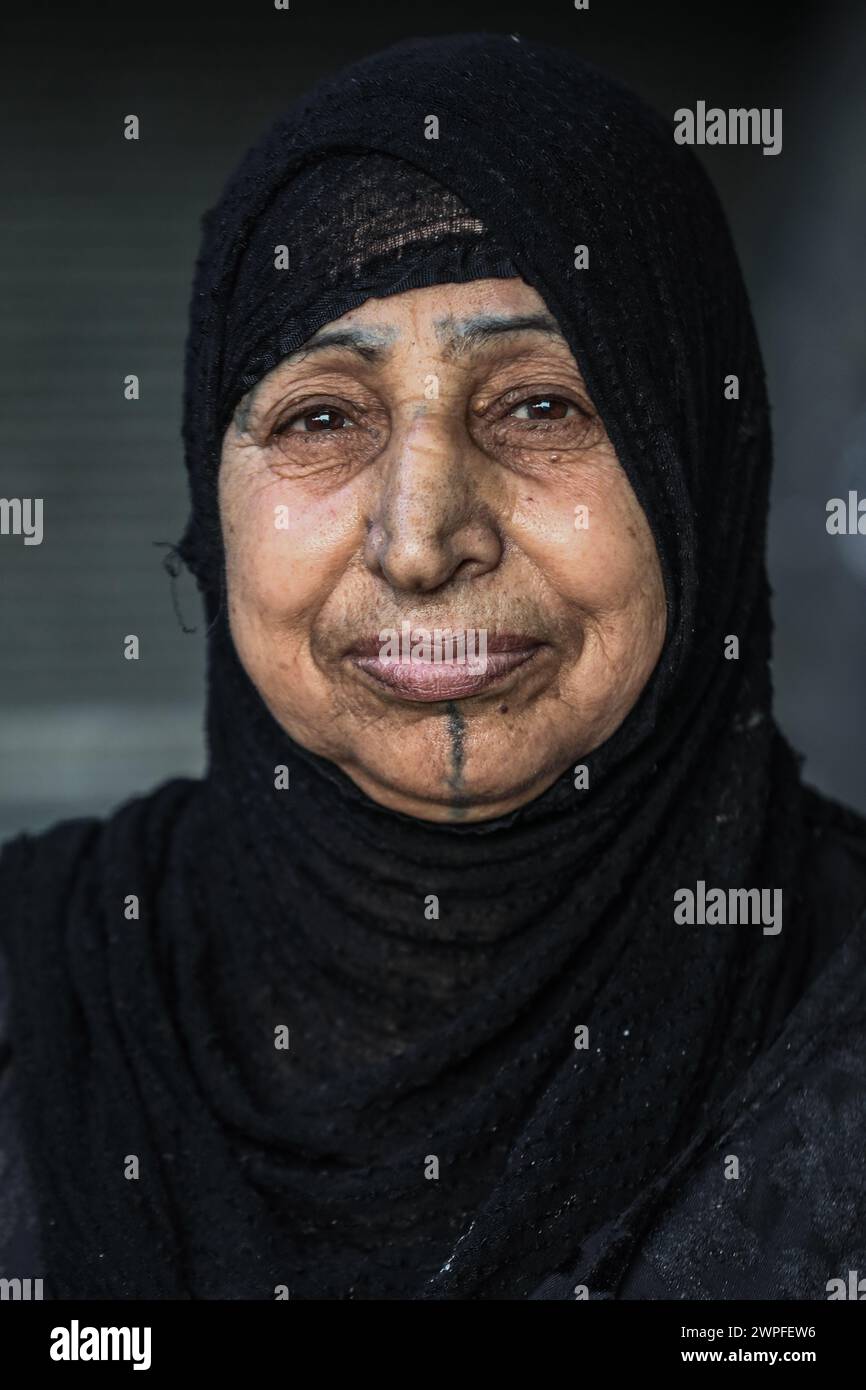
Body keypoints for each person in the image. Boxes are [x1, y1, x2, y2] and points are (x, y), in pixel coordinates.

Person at [1, 32, 865, 1301]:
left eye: (539, 405)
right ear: (211, 498)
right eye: (321, 418)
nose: (419, 541)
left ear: (703, 464)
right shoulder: (38, 993)